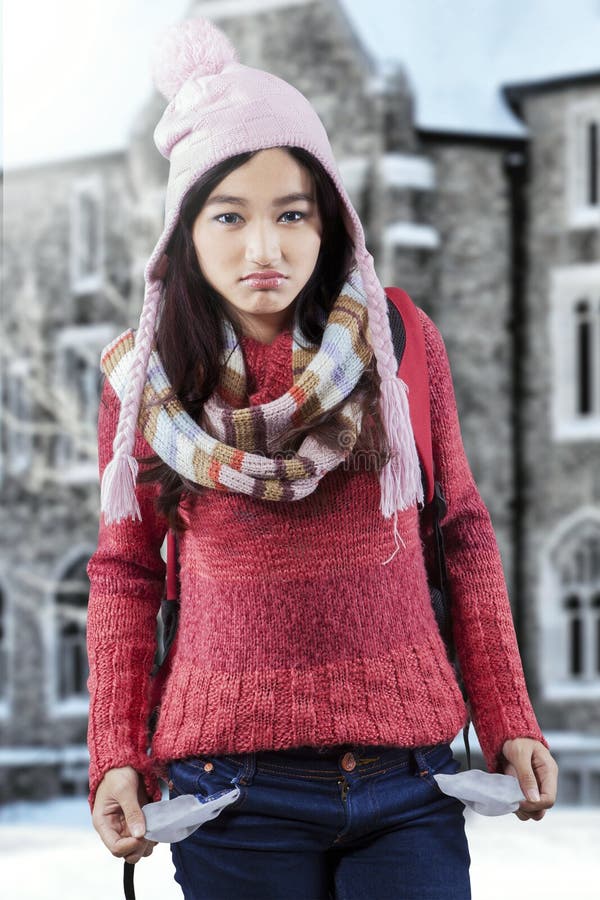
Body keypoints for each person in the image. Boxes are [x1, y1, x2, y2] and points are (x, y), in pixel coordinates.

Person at [86, 16, 558, 900]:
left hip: (407, 782)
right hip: (230, 792)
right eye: (229, 216)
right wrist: (115, 750)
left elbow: (461, 534)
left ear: (330, 216)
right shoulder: (147, 381)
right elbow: (124, 573)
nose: (264, 248)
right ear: (184, 228)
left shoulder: (401, 345)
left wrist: (508, 716)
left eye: (291, 214)